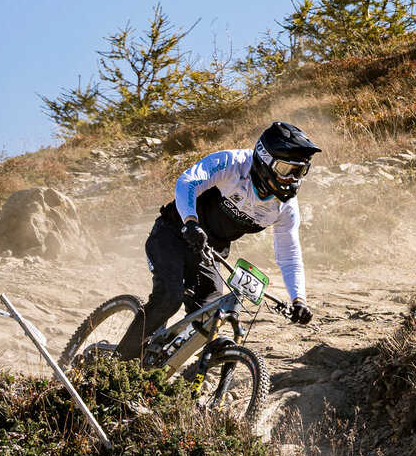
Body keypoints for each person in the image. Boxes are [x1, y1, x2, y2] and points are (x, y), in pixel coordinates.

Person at [125, 121, 320, 355]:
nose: (292, 180)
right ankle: (115, 365)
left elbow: (290, 256)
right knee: (169, 297)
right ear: (264, 159)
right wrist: (190, 221)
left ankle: (159, 369)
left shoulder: (285, 208)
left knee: (209, 319)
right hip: (173, 232)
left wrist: (299, 299)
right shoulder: (234, 163)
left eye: (299, 171)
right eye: (286, 170)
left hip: (208, 253)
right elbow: (188, 182)